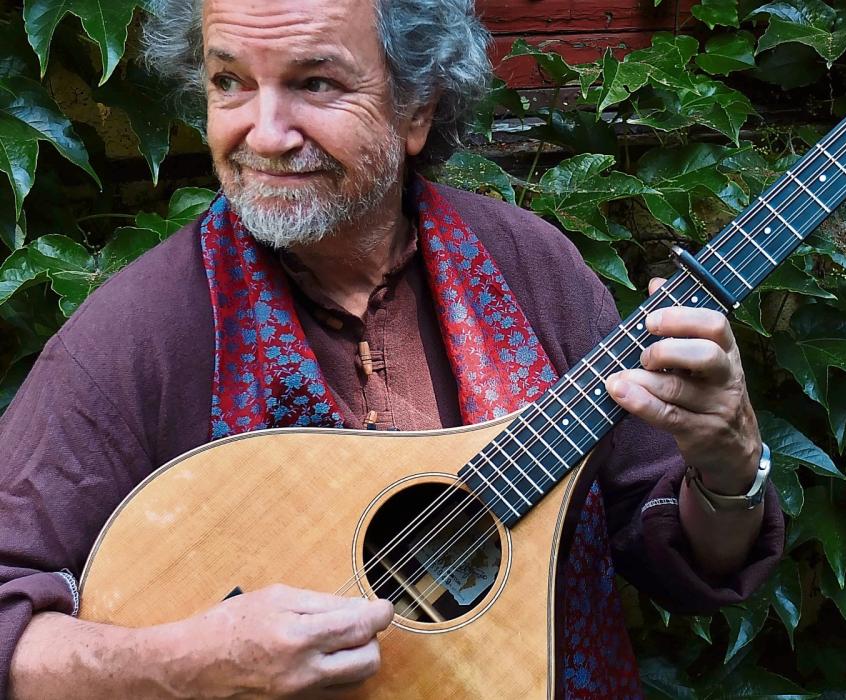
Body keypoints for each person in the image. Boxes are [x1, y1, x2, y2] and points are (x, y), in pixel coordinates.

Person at [0, 0, 784, 696]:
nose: (263, 134)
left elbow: (682, 561)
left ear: (416, 109)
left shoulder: (531, 270)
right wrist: (182, 665)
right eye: (229, 81)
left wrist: (728, 469)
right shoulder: (135, 338)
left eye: (314, 83)